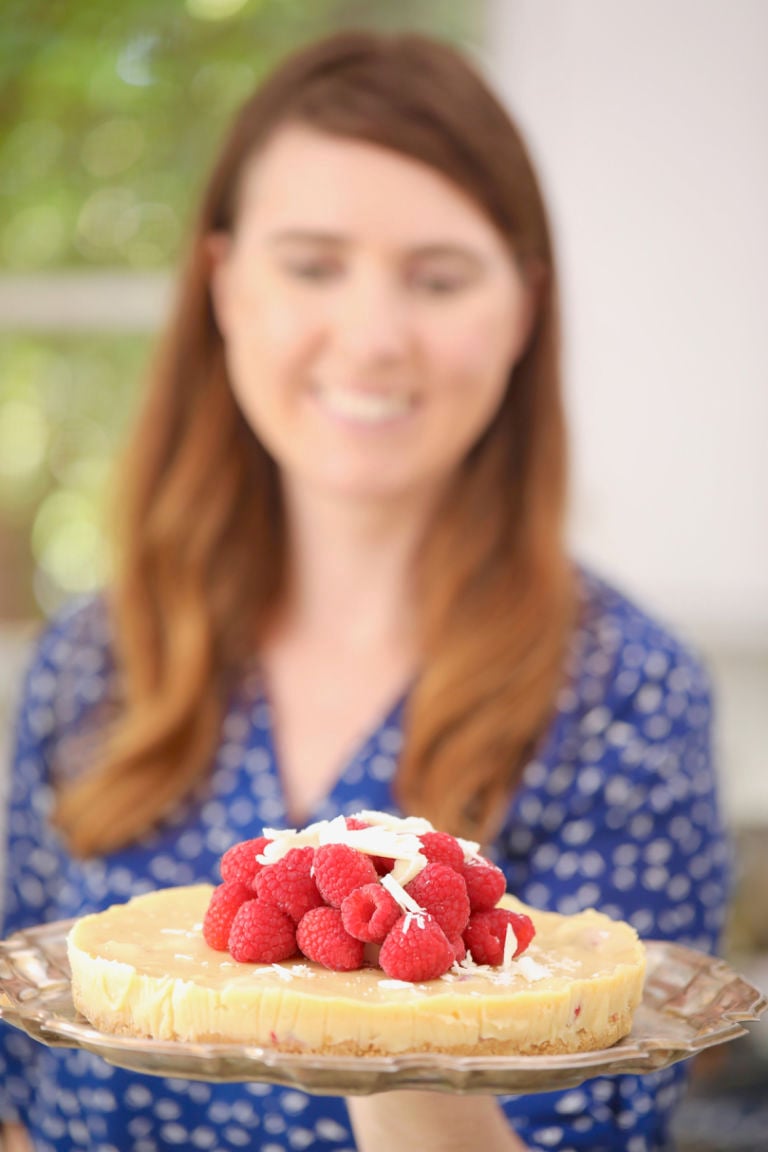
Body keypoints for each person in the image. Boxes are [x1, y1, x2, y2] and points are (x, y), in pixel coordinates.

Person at [0, 29, 729, 1152]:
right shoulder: (93, 665)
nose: (376, 337)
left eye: (439, 278)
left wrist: (396, 985)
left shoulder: (625, 694)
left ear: (523, 309)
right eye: (311, 264)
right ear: (224, 286)